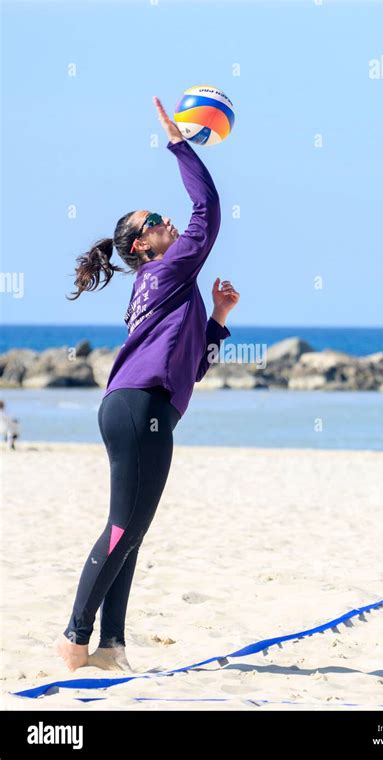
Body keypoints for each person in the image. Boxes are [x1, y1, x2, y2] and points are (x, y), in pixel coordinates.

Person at [56, 96, 239, 672]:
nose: (169, 222)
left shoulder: (167, 283)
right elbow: (208, 209)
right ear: (141, 245)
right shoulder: (167, 268)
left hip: (135, 406)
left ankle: (112, 645)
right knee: (125, 525)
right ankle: (74, 639)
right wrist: (178, 143)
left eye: (163, 217)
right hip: (139, 409)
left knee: (131, 527)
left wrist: (218, 321)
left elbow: (191, 366)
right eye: (155, 222)